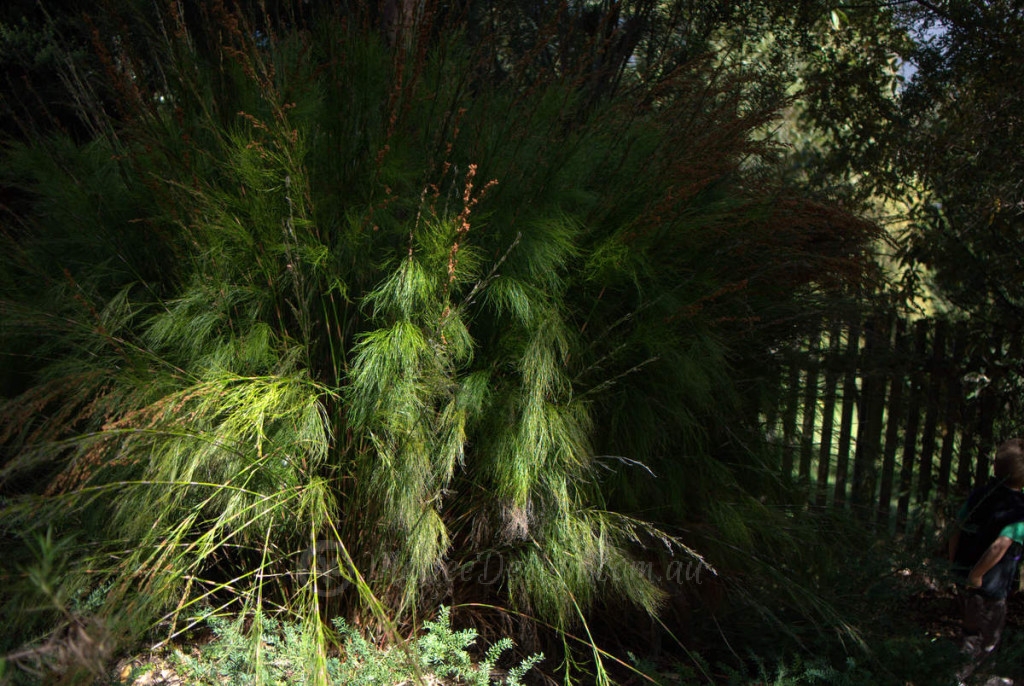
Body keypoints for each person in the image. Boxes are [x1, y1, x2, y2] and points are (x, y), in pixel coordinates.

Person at [948, 437, 1024, 680]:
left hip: (964, 577)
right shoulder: (1019, 510)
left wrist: (953, 563)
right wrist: (977, 574)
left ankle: (979, 678)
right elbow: (999, 546)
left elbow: (957, 527)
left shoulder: (979, 495)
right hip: (988, 586)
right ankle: (959, 678)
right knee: (986, 638)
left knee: (971, 630)